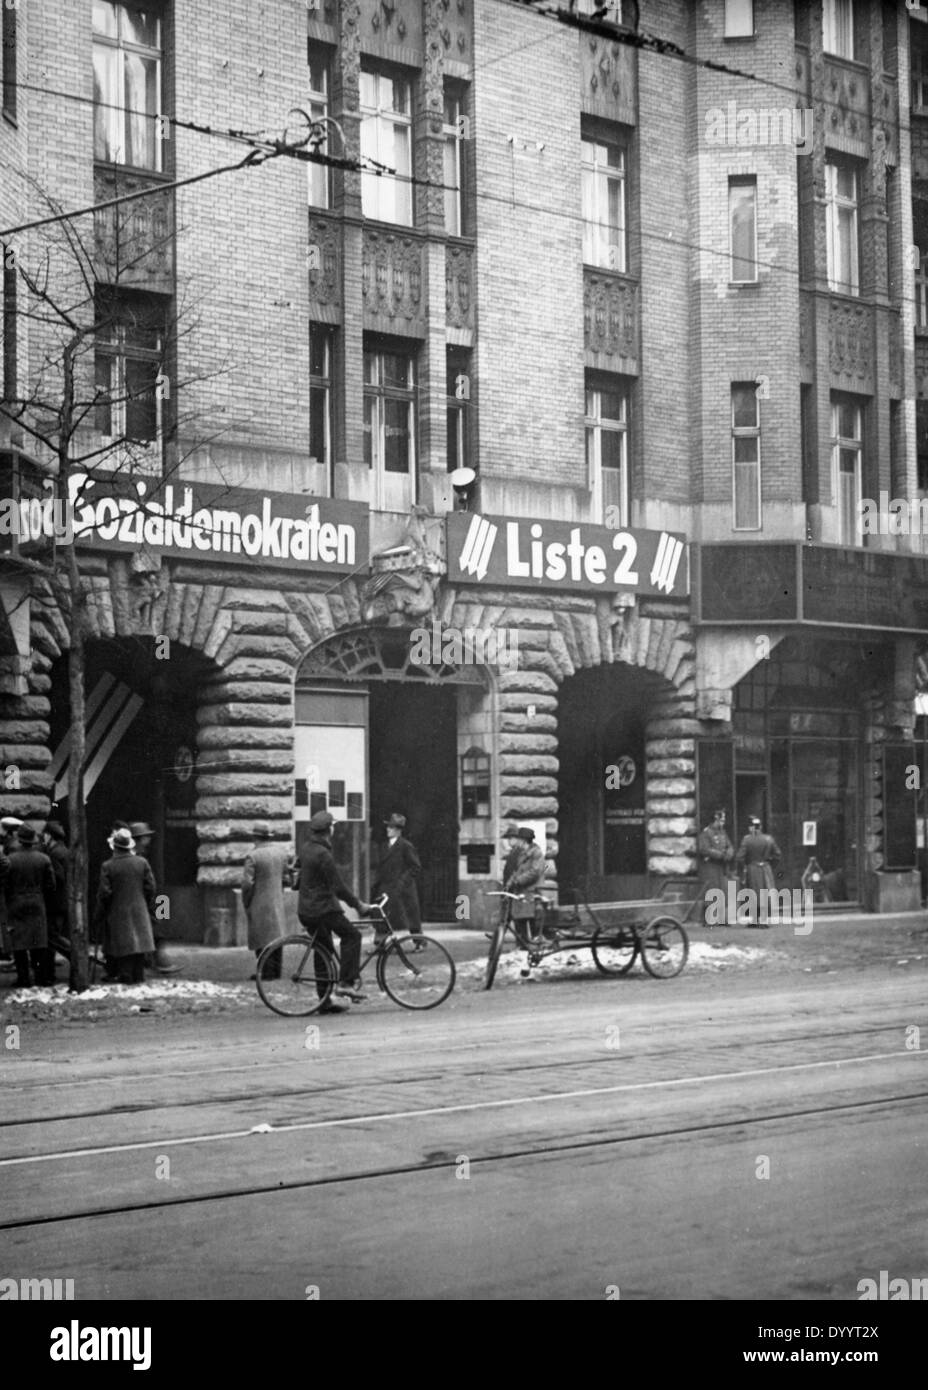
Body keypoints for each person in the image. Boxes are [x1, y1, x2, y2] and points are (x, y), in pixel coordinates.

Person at [297, 810, 371, 1012]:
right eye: (333, 826)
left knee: (323, 952)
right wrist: (358, 905)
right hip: (322, 909)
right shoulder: (323, 854)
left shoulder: (306, 849)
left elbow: (296, 872)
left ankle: (324, 1002)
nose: (334, 829)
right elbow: (338, 887)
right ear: (327, 830)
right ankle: (346, 984)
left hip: (306, 909)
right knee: (352, 935)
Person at [93, 827, 157, 983]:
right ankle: (138, 976)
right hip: (139, 908)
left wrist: (100, 913)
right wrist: (146, 903)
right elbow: (151, 887)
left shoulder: (108, 866)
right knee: (139, 943)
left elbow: (104, 893)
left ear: (114, 847)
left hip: (117, 911)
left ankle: (126, 976)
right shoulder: (142, 862)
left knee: (123, 944)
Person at [0, 824, 56, 988]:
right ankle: (40, 976)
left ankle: (23, 978)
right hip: (37, 902)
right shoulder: (44, 859)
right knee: (37, 942)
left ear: (20, 840)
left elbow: (5, 883)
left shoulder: (10, 860)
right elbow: (51, 885)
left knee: (19, 944)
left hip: (16, 903)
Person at [128, 822, 182, 975]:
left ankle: (156, 959)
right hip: (149, 898)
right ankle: (156, 961)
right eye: (146, 837)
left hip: (159, 897)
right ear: (139, 839)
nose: (148, 840)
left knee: (160, 925)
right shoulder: (136, 856)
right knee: (154, 929)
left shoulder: (143, 854)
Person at [242, 823, 291, 980]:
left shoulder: (253, 856)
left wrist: (247, 900)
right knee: (276, 937)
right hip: (277, 900)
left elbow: (247, 883)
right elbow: (286, 879)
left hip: (258, 902)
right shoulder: (281, 853)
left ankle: (265, 972)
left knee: (261, 937)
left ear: (255, 837)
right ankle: (276, 972)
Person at [372, 813, 422, 943]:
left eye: (391, 827)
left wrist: (403, 881)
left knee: (411, 918)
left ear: (398, 830)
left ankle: (419, 942)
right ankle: (379, 943)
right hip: (386, 887)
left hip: (402, 889)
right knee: (382, 914)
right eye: (388, 827)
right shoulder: (384, 846)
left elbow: (415, 867)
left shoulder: (406, 846)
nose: (388, 829)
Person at [735, 816, 783, 927]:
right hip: (766, 868)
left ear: (751, 827)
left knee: (754, 894)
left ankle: (754, 920)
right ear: (760, 827)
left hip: (753, 868)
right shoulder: (769, 839)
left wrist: (745, 866)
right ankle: (763, 921)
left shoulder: (747, 839)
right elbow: (777, 855)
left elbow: (739, 857)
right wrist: (770, 865)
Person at [504, 826, 548, 944]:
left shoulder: (536, 853)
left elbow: (535, 872)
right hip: (523, 891)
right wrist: (510, 882)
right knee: (520, 918)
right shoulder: (523, 853)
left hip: (533, 891)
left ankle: (536, 944)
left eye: (518, 839)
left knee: (533, 919)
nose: (516, 841)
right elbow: (518, 870)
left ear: (523, 840)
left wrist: (518, 881)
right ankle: (523, 944)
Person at [697, 808, 735, 927]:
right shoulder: (706, 833)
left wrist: (729, 853)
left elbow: (729, 846)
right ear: (716, 819)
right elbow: (704, 849)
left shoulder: (722, 832)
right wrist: (720, 855)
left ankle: (722, 918)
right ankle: (708, 919)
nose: (723, 822)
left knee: (722, 891)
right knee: (711, 891)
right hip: (710, 867)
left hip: (721, 867)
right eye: (722, 820)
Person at [43, 821, 70, 962]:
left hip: (55, 901)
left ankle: (75, 955)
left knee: (52, 935)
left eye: (45, 835)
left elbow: (57, 878)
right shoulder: (65, 851)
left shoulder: (54, 854)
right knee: (54, 935)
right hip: (63, 900)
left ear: (49, 836)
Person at [0, 816, 24, 970]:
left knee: (9, 923)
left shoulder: (11, 847)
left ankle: (11, 954)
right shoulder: (16, 845)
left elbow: (7, 865)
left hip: (12, 891)